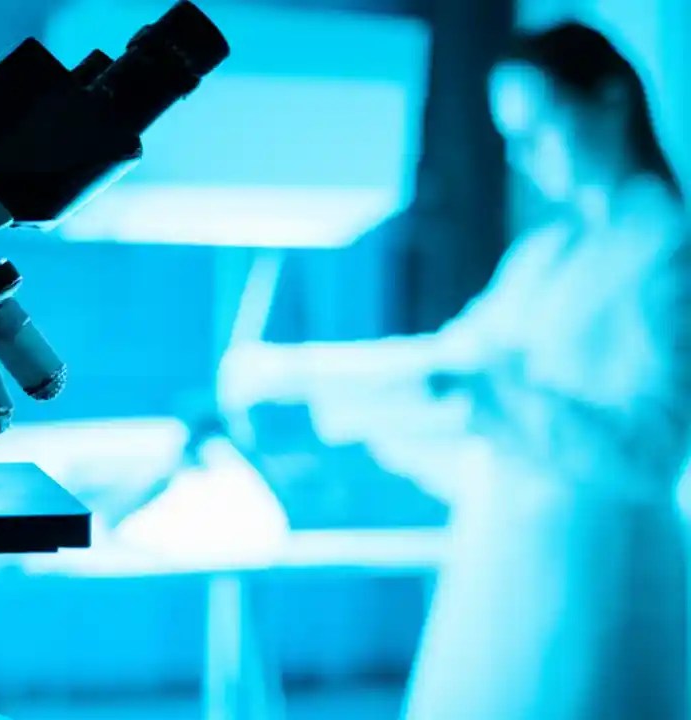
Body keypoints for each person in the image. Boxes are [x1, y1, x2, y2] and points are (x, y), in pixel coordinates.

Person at [217, 22, 690, 719]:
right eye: (513, 140)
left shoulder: (666, 253)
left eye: (541, 129)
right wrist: (289, 372)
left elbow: (654, 450)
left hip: (603, 582)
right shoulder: (551, 252)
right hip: (511, 566)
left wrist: (496, 395)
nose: (527, 159)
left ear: (612, 99)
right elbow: (449, 355)